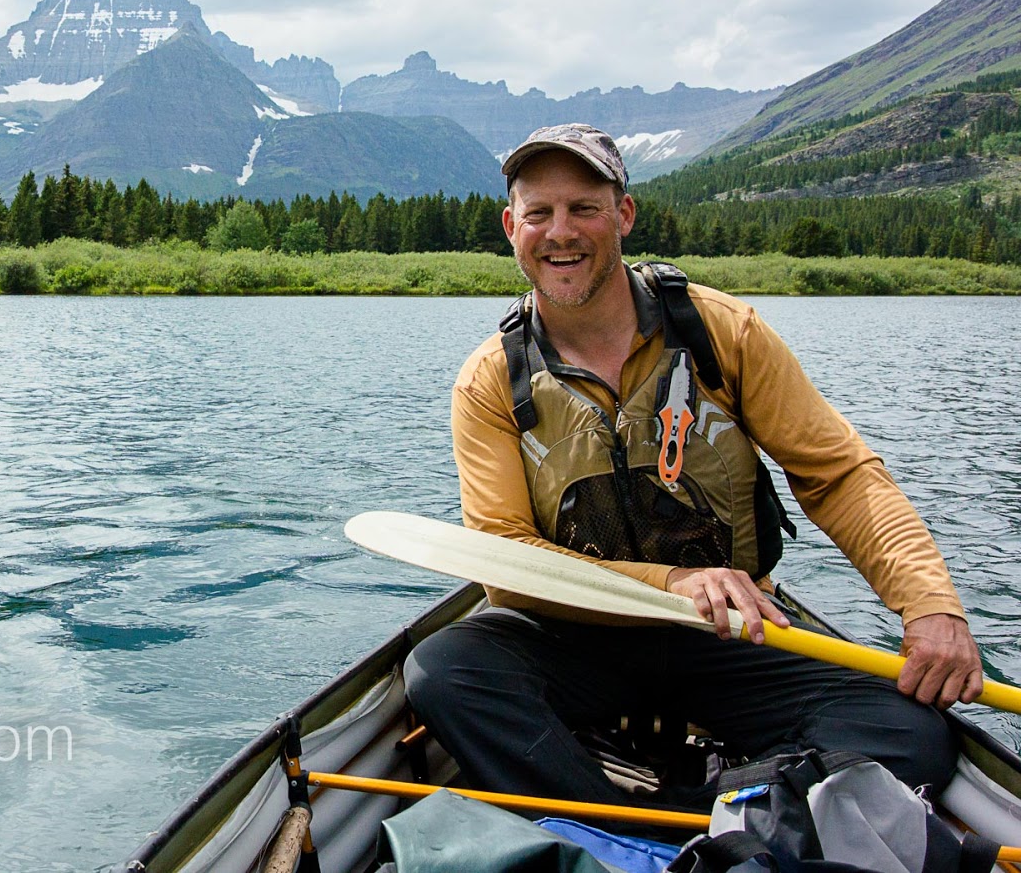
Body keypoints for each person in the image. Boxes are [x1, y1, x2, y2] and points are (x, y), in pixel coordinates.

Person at [404, 123, 983, 809]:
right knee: (443, 671)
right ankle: (653, 821)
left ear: (623, 214)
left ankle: (693, 811)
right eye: (539, 213)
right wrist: (673, 581)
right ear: (511, 226)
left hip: (729, 635)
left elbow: (840, 475)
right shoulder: (490, 381)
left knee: (913, 732)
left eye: (584, 208)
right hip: (576, 642)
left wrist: (930, 604)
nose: (560, 232)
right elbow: (508, 567)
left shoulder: (723, 332)